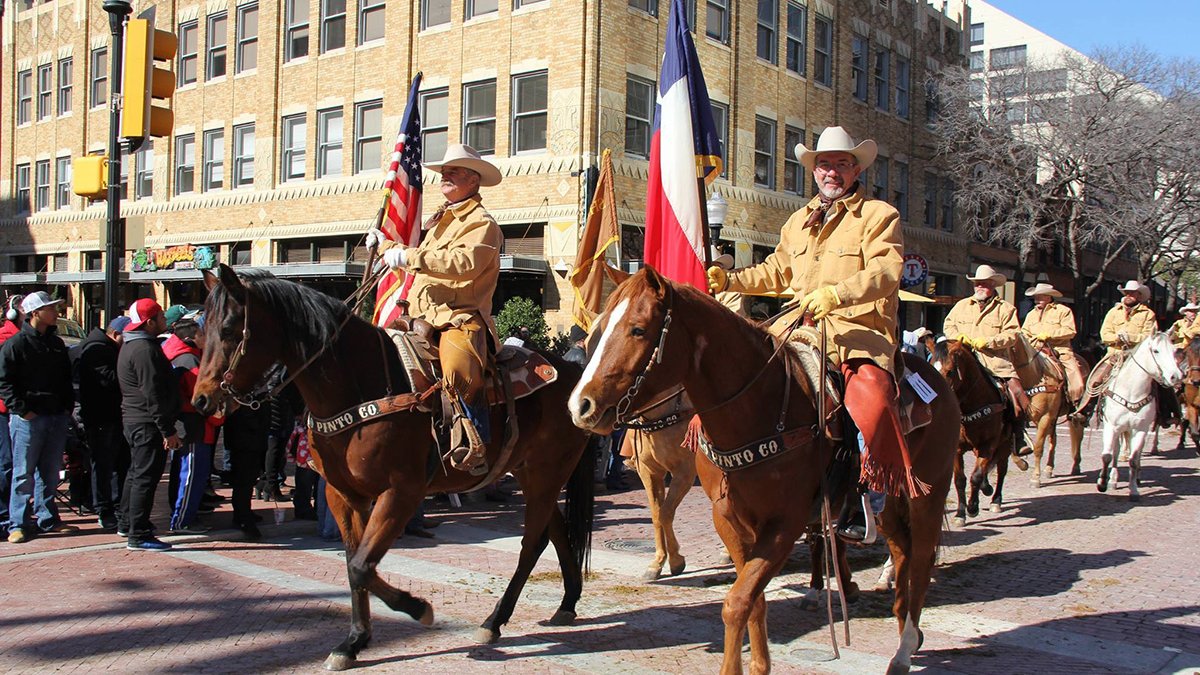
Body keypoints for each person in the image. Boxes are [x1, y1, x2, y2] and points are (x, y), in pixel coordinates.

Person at [706, 126, 913, 544]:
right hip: (795, 328)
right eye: (824, 164)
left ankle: (864, 498)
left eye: (841, 163)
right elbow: (776, 271)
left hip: (855, 333)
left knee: (869, 398)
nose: (831, 171)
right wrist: (729, 280)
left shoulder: (879, 216)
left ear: (856, 169)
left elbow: (887, 272)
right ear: (813, 170)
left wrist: (838, 293)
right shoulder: (798, 221)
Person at [371, 143, 504, 473]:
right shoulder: (439, 221)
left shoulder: (482, 224)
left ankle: (475, 445)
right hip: (415, 316)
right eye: (445, 171)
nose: (446, 175)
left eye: (455, 171)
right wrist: (384, 245)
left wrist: (407, 256)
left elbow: (463, 264)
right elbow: (418, 260)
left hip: (457, 319)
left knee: (458, 370)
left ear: (474, 180)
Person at [0, 292, 77, 543]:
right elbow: (4, 382)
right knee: (23, 472)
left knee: (50, 471)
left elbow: (65, 379)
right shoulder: (16, 344)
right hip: (29, 419)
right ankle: (17, 523)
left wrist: (66, 407)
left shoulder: (55, 344)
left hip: (55, 416)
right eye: (51, 308)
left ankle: (48, 518)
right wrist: (22, 410)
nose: (56, 312)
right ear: (35, 313)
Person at [117, 298, 182, 551]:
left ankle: (128, 522)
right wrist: (168, 430)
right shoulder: (144, 349)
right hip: (145, 422)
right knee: (145, 477)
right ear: (149, 321)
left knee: (136, 474)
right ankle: (139, 533)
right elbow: (153, 393)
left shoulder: (133, 346)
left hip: (137, 420)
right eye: (161, 318)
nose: (165, 322)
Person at [162, 314, 217, 534]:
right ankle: (182, 520)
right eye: (203, 334)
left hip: (190, 422)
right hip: (194, 424)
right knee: (191, 474)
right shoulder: (188, 359)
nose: (207, 338)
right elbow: (199, 397)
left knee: (186, 472)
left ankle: (183, 516)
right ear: (192, 338)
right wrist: (217, 416)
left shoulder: (184, 355)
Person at [1073, 280, 1158, 425]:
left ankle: (1168, 412)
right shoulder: (1113, 312)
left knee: (1161, 381)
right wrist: (1117, 338)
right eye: (1127, 292)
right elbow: (1104, 333)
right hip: (1115, 355)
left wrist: (1131, 338)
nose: (1129, 295)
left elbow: (1149, 335)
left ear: (1139, 295)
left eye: (1132, 293)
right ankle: (1085, 411)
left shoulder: (1148, 314)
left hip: (1137, 356)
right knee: (1095, 380)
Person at [76, 315, 131, 531]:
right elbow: (111, 380)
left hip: (115, 416)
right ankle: (103, 509)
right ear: (116, 334)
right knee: (103, 464)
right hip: (101, 417)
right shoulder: (97, 350)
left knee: (119, 464)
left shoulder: (110, 349)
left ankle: (116, 505)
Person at [1020, 282, 1086, 408]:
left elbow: (1070, 331)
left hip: (1059, 350)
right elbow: (1024, 333)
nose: (1036, 299)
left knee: (1074, 374)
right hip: (1035, 350)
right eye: (1035, 297)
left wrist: (1049, 335)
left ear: (1049, 296)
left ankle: (1076, 403)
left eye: (1040, 296)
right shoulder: (1031, 314)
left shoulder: (1063, 311)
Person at [0, 295, 26, 537]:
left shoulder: (34, 339)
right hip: (5, 410)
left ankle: (22, 513)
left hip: (21, 411)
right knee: (6, 463)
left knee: (23, 465)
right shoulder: (5, 339)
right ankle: (4, 515)